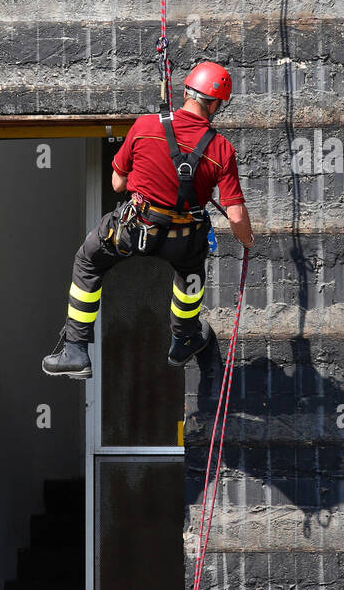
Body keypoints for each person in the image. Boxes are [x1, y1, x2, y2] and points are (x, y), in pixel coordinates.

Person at [42, 61, 254, 377]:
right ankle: (183, 341)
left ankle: (75, 350)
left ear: (186, 92)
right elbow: (235, 214)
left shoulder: (145, 126)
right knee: (190, 273)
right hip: (184, 240)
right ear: (217, 105)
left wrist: (152, 175)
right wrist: (247, 241)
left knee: (88, 261)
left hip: (134, 229)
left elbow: (117, 183)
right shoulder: (221, 149)